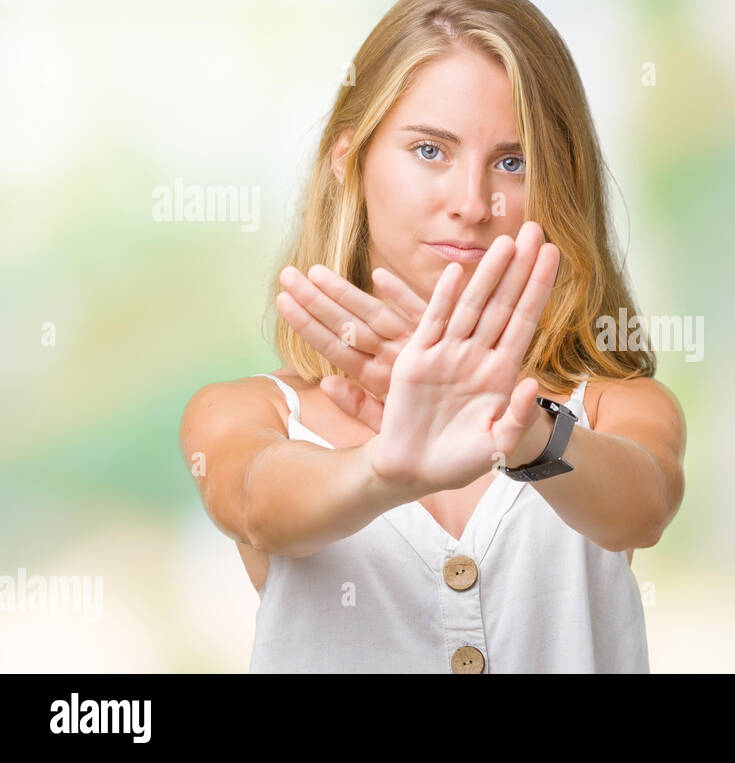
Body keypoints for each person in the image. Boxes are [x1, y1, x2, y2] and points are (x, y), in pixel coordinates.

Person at [178, 0, 686, 673]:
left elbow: (641, 509)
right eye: (429, 150)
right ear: (348, 159)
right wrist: (383, 467)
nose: (473, 204)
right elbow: (257, 506)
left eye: (513, 163)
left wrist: (524, 429)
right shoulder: (251, 412)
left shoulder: (617, 407)